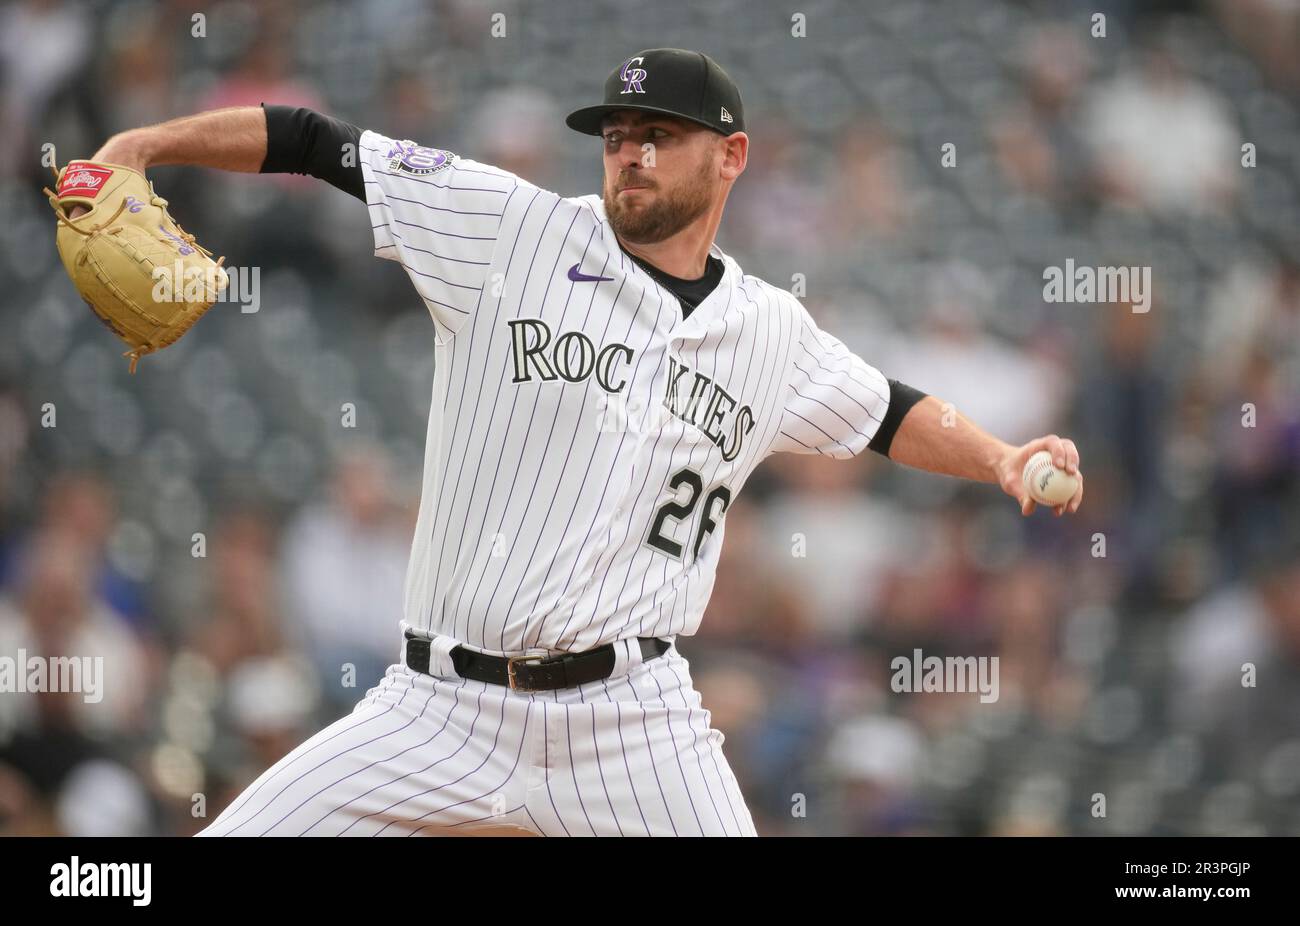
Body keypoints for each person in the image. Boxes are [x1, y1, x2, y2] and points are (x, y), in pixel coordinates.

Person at [64, 48, 1082, 836]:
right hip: (438, 705)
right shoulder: (510, 226)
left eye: (659, 133)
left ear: (730, 156)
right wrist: (144, 146)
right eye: (615, 133)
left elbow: (892, 410)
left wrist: (997, 456)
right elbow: (310, 139)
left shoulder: (771, 331)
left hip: (631, 718)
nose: (629, 152)